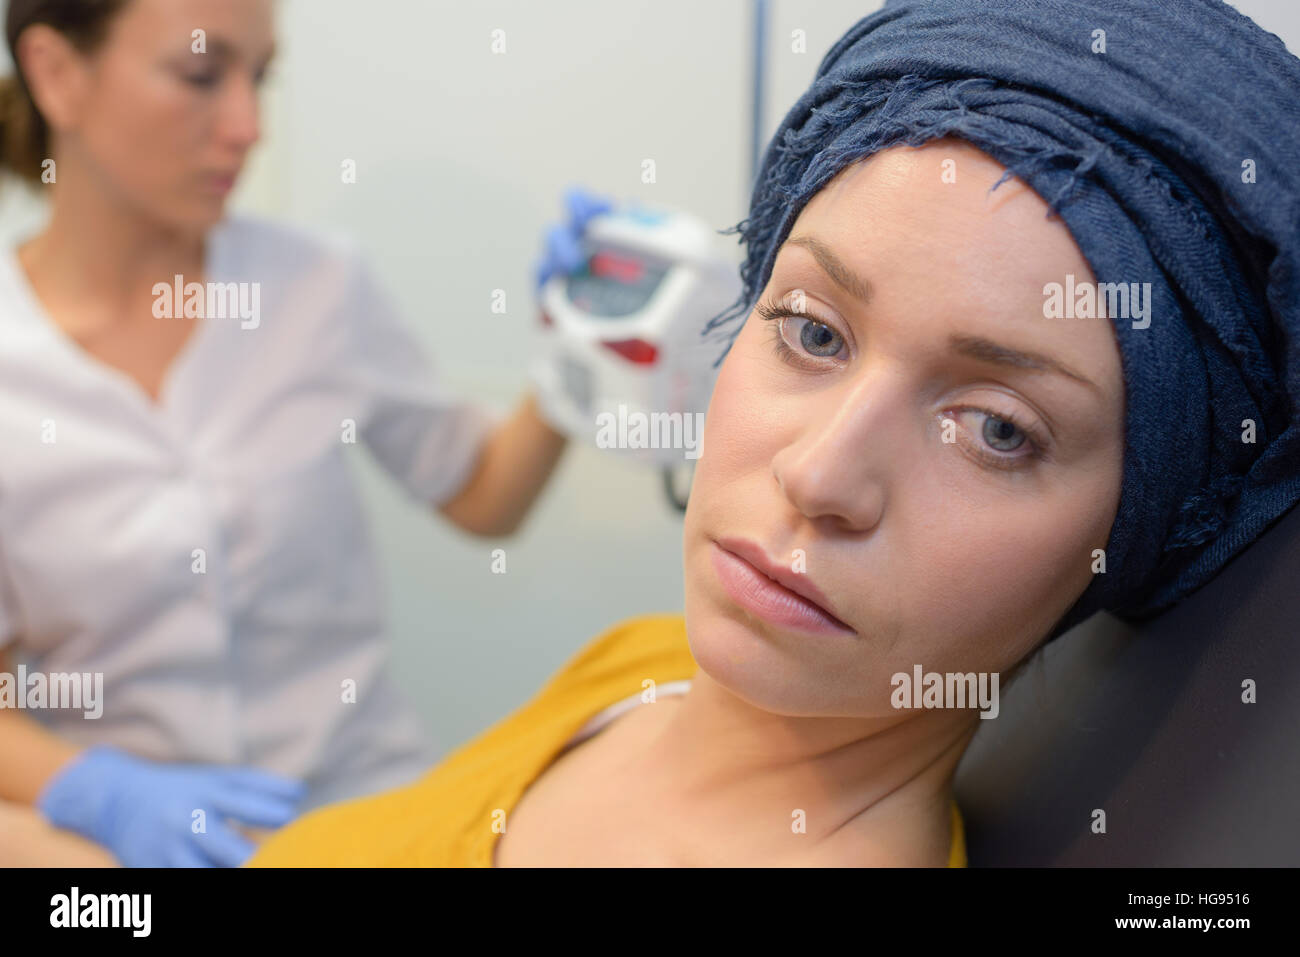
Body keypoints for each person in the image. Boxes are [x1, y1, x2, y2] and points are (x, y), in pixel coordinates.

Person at [249, 0, 1300, 867]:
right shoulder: (640, 668)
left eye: (994, 430)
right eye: (812, 331)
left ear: (1137, 527)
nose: (818, 472)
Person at [0, 0, 575, 867]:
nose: (248, 127)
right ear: (55, 73)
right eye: (202, 75)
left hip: (372, 815)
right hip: (128, 854)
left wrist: (578, 356)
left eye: (260, 78)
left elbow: (483, 495)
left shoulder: (315, 286)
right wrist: (94, 789)